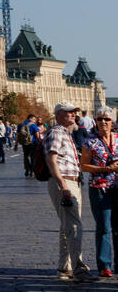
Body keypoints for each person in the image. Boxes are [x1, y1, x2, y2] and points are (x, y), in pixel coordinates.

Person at [45, 103, 92, 280]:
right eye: (70, 112)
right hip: (65, 182)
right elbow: (51, 159)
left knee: (67, 226)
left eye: (75, 113)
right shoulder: (57, 132)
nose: (74, 115)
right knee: (74, 226)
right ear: (59, 115)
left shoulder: (66, 132)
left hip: (72, 181)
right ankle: (79, 267)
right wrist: (63, 185)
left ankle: (65, 267)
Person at [79, 104, 117, 278]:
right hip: (99, 188)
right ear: (95, 121)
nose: (103, 122)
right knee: (104, 227)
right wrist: (105, 169)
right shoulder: (90, 142)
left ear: (113, 121)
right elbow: (84, 166)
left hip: (117, 187)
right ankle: (104, 265)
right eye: (100, 119)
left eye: (106, 119)